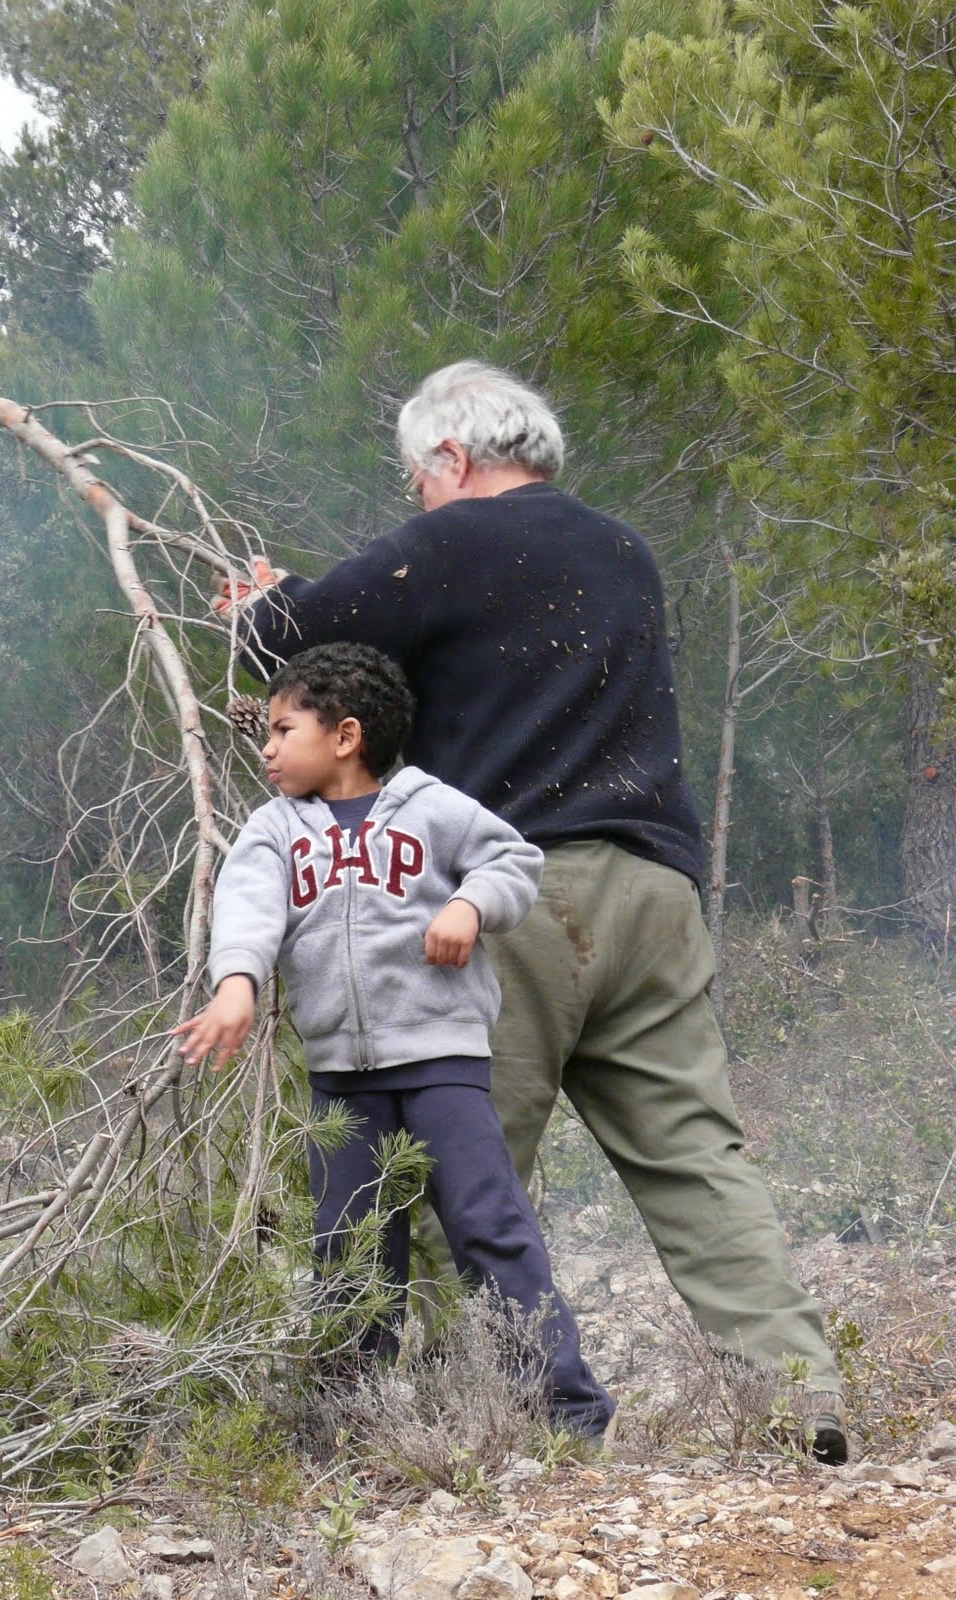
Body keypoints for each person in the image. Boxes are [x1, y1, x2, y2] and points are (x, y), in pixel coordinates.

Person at [213, 360, 849, 1464]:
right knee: (696, 1157)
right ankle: (804, 1401)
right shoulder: (626, 552)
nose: (417, 499)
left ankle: (473, 1431)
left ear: (452, 459)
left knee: (437, 1178)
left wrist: (255, 603)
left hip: (504, 902)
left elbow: (292, 651)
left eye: (418, 478)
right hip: (655, 895)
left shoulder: (451, 541)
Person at [173, 642, 615, 1439]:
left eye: (281, 729)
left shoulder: (430, 806)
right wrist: (237, 981)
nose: (266, 748)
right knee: (348, 1250)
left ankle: (567, 1413)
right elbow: (246, 909)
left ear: (345, 736)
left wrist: (471, 905)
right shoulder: (274, 830)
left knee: (488, 1225)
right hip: (340, 1079)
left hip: (443, 1060)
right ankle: (351, 1422)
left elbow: (513, 858)